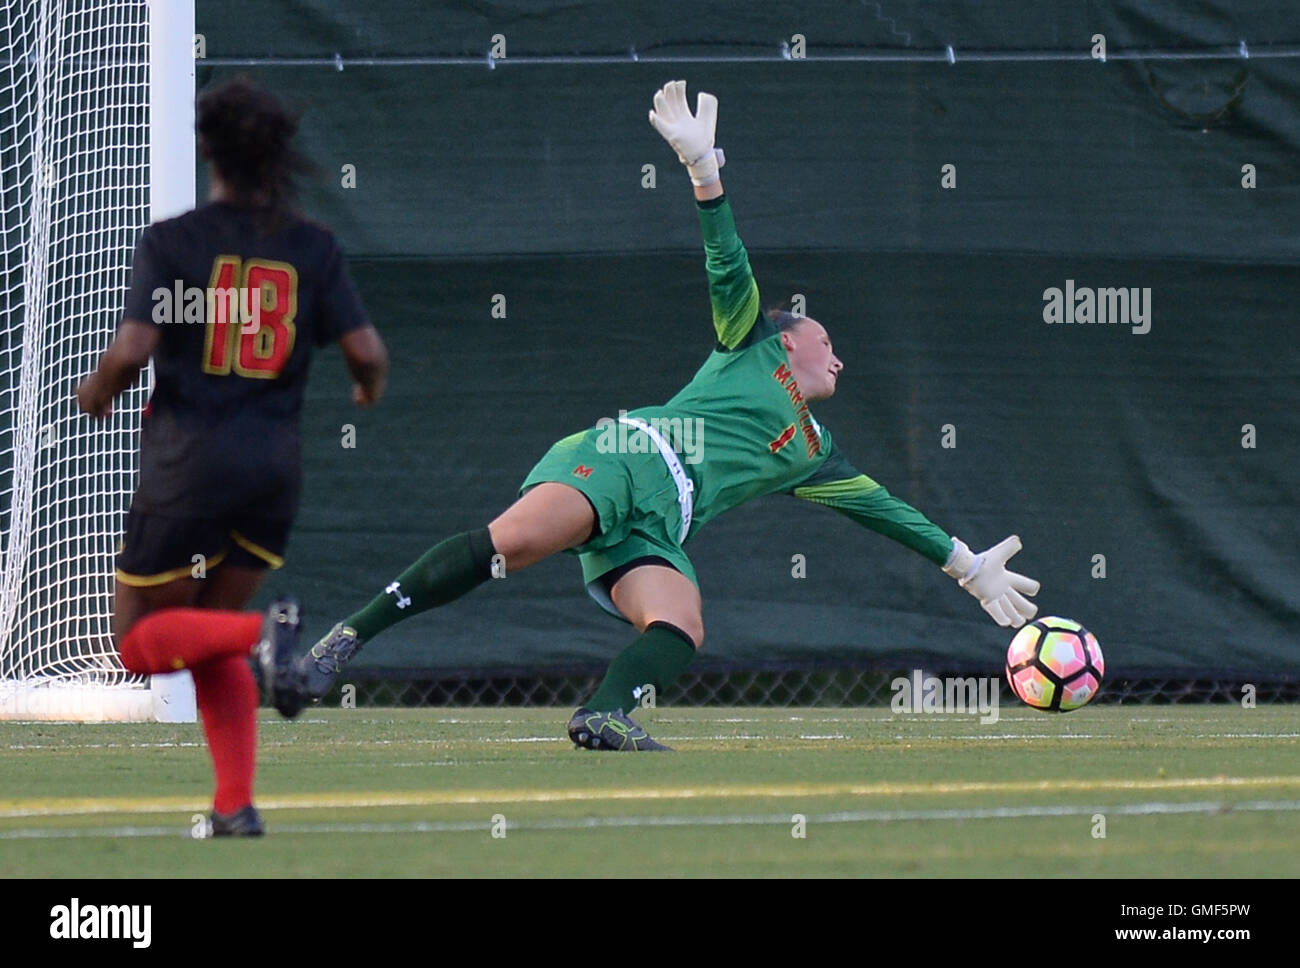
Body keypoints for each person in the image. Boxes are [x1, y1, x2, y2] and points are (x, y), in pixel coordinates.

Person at [291, 80, 1039, 751]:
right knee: (509, 545)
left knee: (681, 626)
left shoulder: (817, 452)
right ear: (789, 339)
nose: (838, 359)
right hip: (626, 457)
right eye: (828, 342)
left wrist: (968, 567)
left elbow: (886, 513)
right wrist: (704, 173)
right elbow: (727, 261)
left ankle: (604, 715)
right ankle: (346, 639)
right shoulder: (752, 343)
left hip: (659, 526)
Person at [76, 76, 389, 830]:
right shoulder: (313, 246)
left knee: (137, 643)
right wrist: (365, 391)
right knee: (207, 641)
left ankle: (267, 635)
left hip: (189, 467)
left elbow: (134, 347)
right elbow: (368, 353)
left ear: (207, 147)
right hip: (272, 474)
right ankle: (235, 807)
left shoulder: (175, 241)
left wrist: (97, 392)